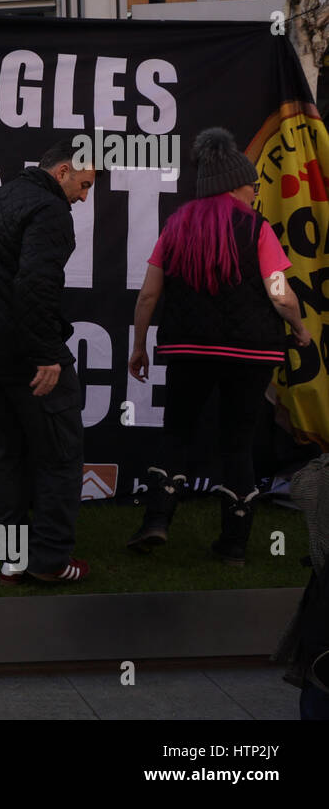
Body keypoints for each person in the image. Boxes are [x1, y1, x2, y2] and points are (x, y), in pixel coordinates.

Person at [128, 127, 312, 565]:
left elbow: (149, 295)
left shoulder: (176, 225)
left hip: (188, 349)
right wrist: (300, 329)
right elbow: (280, 292)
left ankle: (156, 521)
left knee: (177, 434)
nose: (255, 193)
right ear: (235, 185)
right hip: (251, 353)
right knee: (236, 443)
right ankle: (233, 546)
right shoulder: (257, 228)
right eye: (252, 186)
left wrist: (139, 345)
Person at [0, 142, 96, 584]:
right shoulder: (50, 211)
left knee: (5, 460)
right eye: (84, 184)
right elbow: (35, 285)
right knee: (59, 456)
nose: (84, 197)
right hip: (26, 359)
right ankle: (51, 561)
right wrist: (48, 354)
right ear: (62, 172)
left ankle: (13, 559)